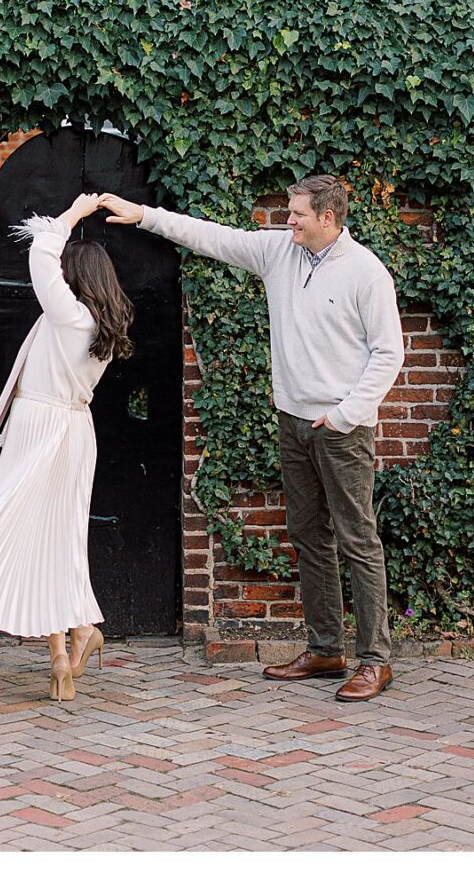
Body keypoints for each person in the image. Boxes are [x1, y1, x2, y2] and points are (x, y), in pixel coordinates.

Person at [101, 175, 403, 702]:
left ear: (327, 218)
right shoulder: (277, 253)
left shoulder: (366, 272)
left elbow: (389, 354)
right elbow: (211, 237)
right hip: (292, 422)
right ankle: (327, 648)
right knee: (309, 537)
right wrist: (144, 214)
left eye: (298, 214)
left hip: (342, 431)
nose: (288, 221)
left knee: (358, 541)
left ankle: (375, 660)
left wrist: (345, 414)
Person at [0, 192, 132, 702]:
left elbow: (39, 253)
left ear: (75, 281)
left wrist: (74, 214)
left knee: (21, 529)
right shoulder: (97, 327)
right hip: (74, 431)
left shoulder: (70, 318)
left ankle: (74, 636)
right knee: (55, 541)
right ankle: (69, 642)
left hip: (42, 428)